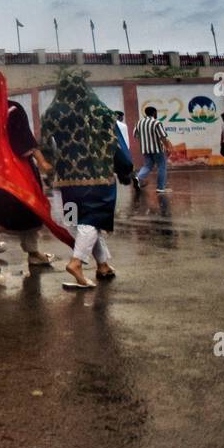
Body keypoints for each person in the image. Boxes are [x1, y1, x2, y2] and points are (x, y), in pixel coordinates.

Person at [0, 71, 73, 271]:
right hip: (14, 174)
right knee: (29, 210)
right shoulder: (13, 109)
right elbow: (23, 142)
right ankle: (33, 253)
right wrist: (42, 161)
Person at [41, 71, 133, 289]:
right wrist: (126, 170)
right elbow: (115, 145)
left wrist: (50, 172)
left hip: (67, 183)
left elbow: (44, 147)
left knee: (75, 221)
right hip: (97, 180)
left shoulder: (53, 112)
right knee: (91, 221)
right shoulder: (100, 111)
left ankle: (102, 265)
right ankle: (76, 263)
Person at [133, 105, 172, 193]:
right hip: (157, 149)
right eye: (156, 113)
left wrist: (145, 139)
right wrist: (167, 147)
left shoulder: (139, 122)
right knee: (162, 166)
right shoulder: (156, 122)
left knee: (147, 165)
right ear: (154, 113)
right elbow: (162, 137)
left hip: (145, 149)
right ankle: (160, 188)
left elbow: (135, 135)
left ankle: (138, 178)